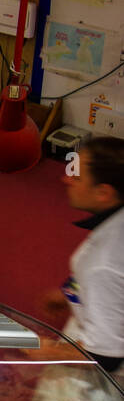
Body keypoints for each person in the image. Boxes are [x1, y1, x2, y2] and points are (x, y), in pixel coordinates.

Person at [40, 136, 124, 375]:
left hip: (100, 392)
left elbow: (104, 357)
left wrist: (45, 352)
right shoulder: (115, 223)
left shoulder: (105, 265)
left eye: (76, 176)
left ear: (103, 193)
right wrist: (70, 292)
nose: (65, 179)